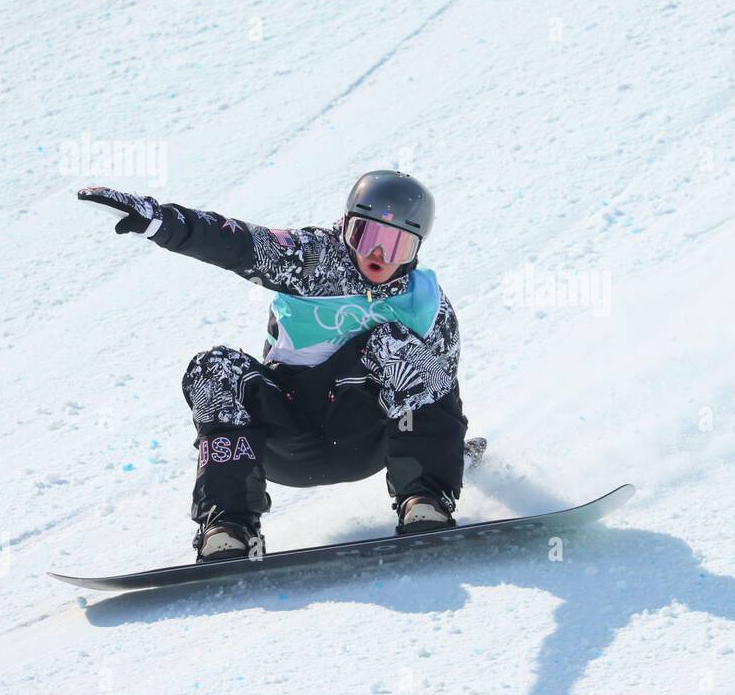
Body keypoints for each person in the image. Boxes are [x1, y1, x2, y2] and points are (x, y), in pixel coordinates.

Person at [78, 171, 474, 562]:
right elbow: (234, 242)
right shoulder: (313, 261)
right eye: (366, 237)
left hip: (368, 438)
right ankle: (228, 526)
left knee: (393, 343)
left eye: (396, 246)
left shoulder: (425, 303)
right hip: (286, 435)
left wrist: (446, 457)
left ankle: (425, 498)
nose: (377, 255)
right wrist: (159, 221)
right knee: (213, 367)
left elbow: (438, 395)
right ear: (346, 228)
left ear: (416, 250)